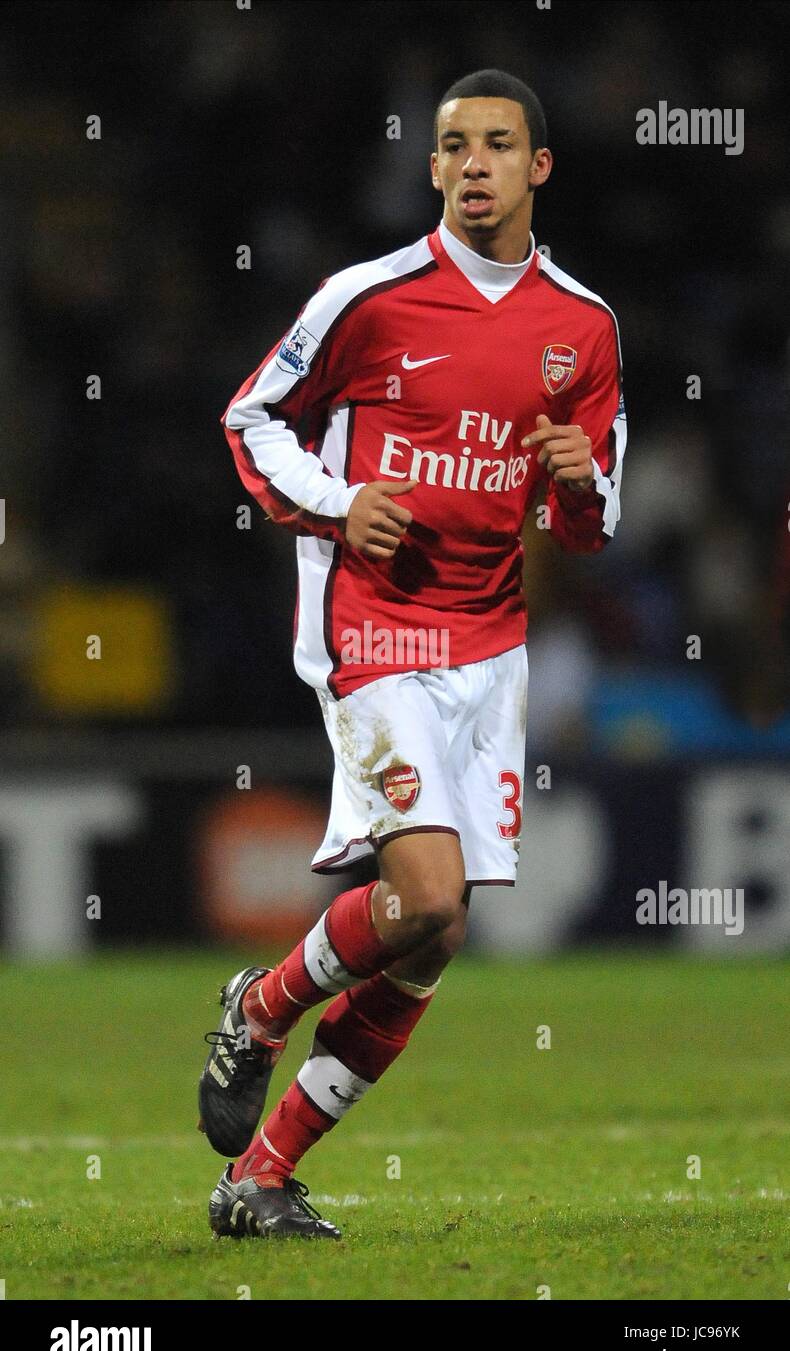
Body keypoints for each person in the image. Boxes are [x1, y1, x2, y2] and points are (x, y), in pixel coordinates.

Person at [200, 67, 626, 1240]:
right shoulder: (368, 299)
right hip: (376, 625)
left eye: (498, 144)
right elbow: (248, 416)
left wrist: (581, 487)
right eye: (454, 146)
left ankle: (262, 1178)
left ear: (538, 167)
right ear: (431, 167)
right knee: (427, 893)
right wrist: (339, 505)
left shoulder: (582, 329)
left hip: (492, 645)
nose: (475, 163)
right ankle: (261, 1004)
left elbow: (593, 518)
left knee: (433, 934)